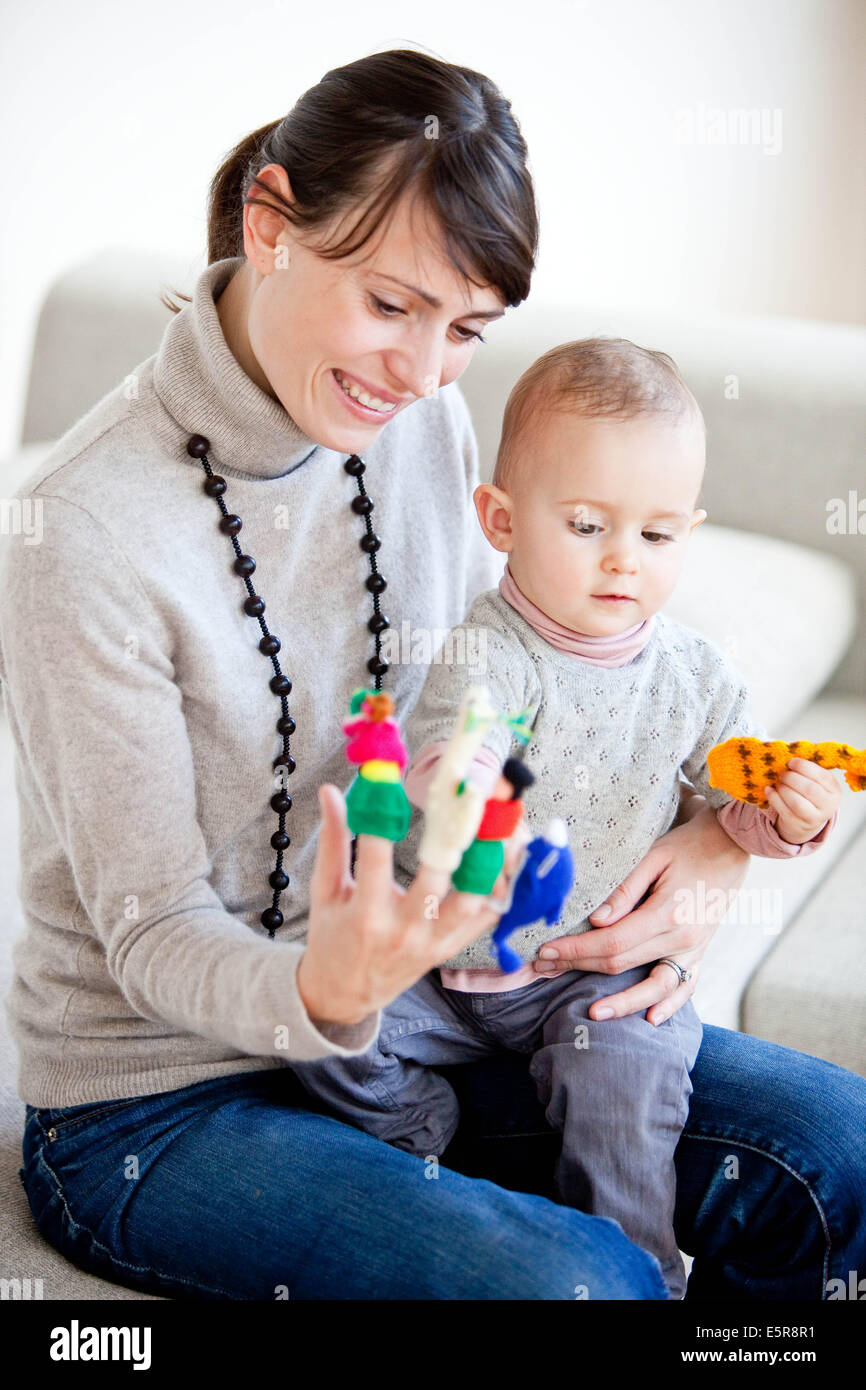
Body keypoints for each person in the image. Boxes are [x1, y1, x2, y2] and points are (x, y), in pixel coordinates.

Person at [2, 49, 864, 1301]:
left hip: (442, 1011)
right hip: (163, 1102)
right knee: (577, 1287)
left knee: (841, 1150)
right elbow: (150, 929)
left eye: (464, 329)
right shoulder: (86, 531)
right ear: (270, 223)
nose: (419, 373)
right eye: (390, 305)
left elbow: (529, 698)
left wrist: (710, 846)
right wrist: (330, 980)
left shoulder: (421, 424)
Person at [289, 337, 841, 1299]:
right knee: (325, 1017)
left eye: (659, 537)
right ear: (501, 519)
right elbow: (464, 734)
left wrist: (787, 817)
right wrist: (457, 773)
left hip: (593, 980)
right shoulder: (485, 647)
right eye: (587, 525)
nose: (624, 560)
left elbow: (731, 816)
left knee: (628, 1078)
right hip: (440, 964)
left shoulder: (698, 680)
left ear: (689, 533)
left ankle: (642, 1271)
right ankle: (423, 1142)